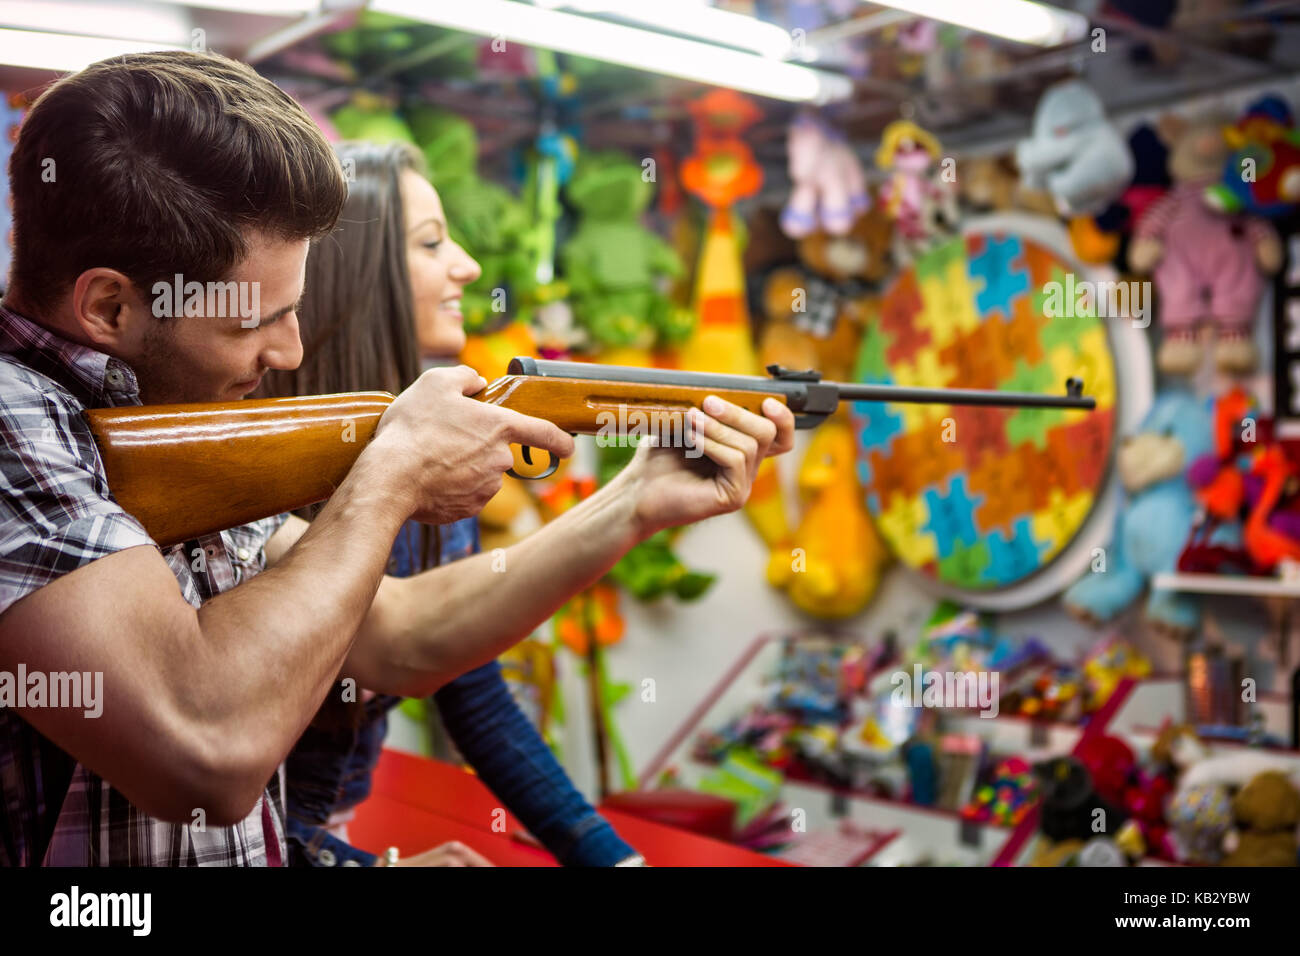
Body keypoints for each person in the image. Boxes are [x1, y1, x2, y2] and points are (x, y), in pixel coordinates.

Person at [0, 50, 793, 865]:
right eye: (251, 324)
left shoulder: (162, 407)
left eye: (295, 310)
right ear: (110, 305)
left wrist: (633, 502)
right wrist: (390, 477)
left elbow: (397, 638)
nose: (290, 348)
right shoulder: (10, 417)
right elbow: (205, 751)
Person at [262, 140, 638, 867]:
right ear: (349, 274)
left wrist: (609, 857)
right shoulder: (248, 475)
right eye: (432, 243)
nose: (467, 265)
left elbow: (470, 685)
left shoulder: (444, 449)